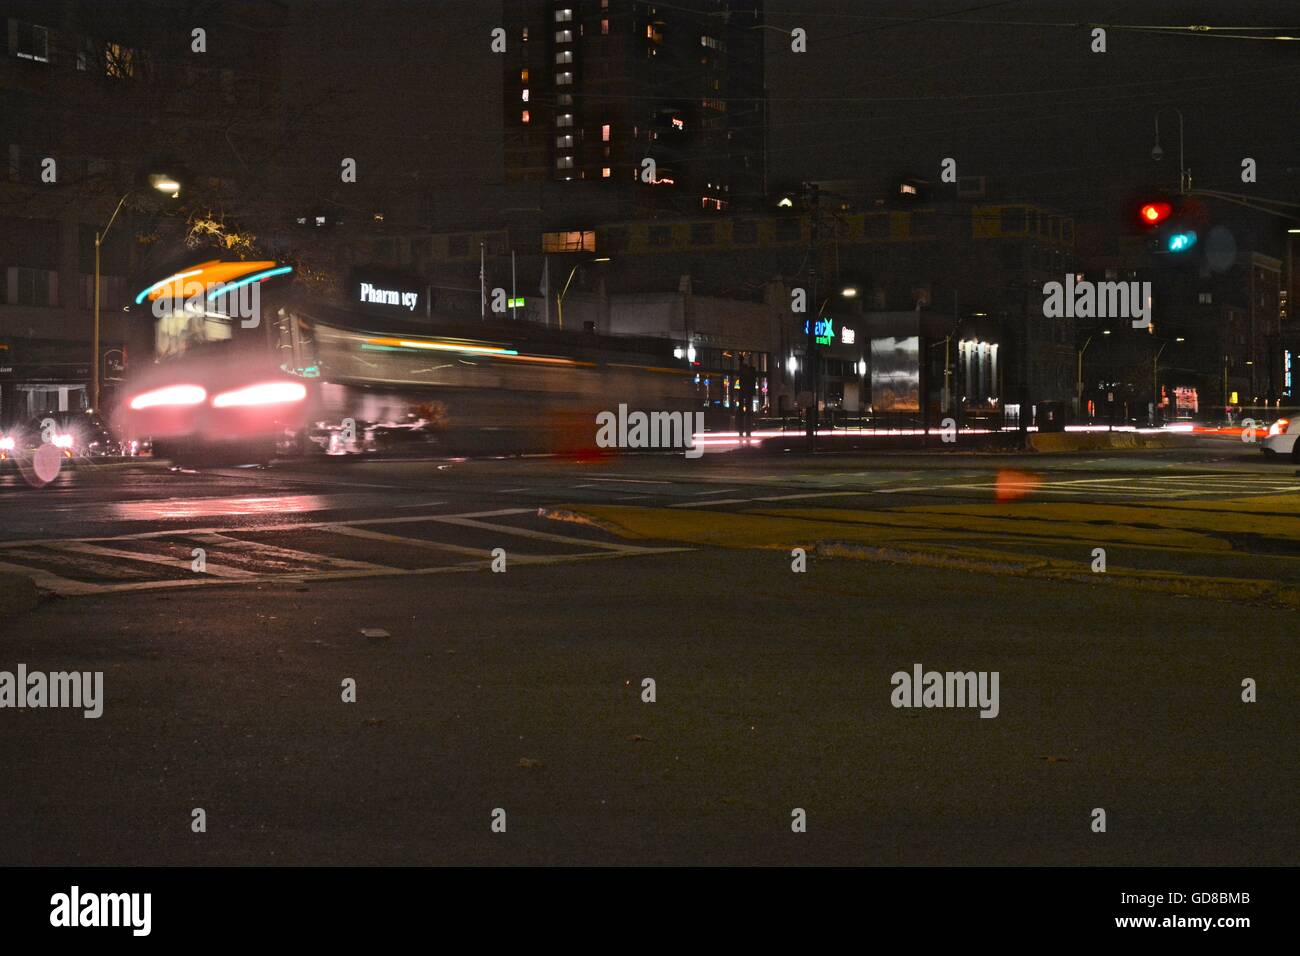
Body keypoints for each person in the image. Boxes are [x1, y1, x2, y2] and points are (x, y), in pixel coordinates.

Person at [736, 358, 758, 441]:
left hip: (743, 393)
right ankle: (747, 432)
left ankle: (742, 432)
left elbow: (742, 382)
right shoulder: (751, 374)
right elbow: (752, 383)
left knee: (742, 413)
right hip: (748, 393)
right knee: (747, 413)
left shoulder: (744, 374)